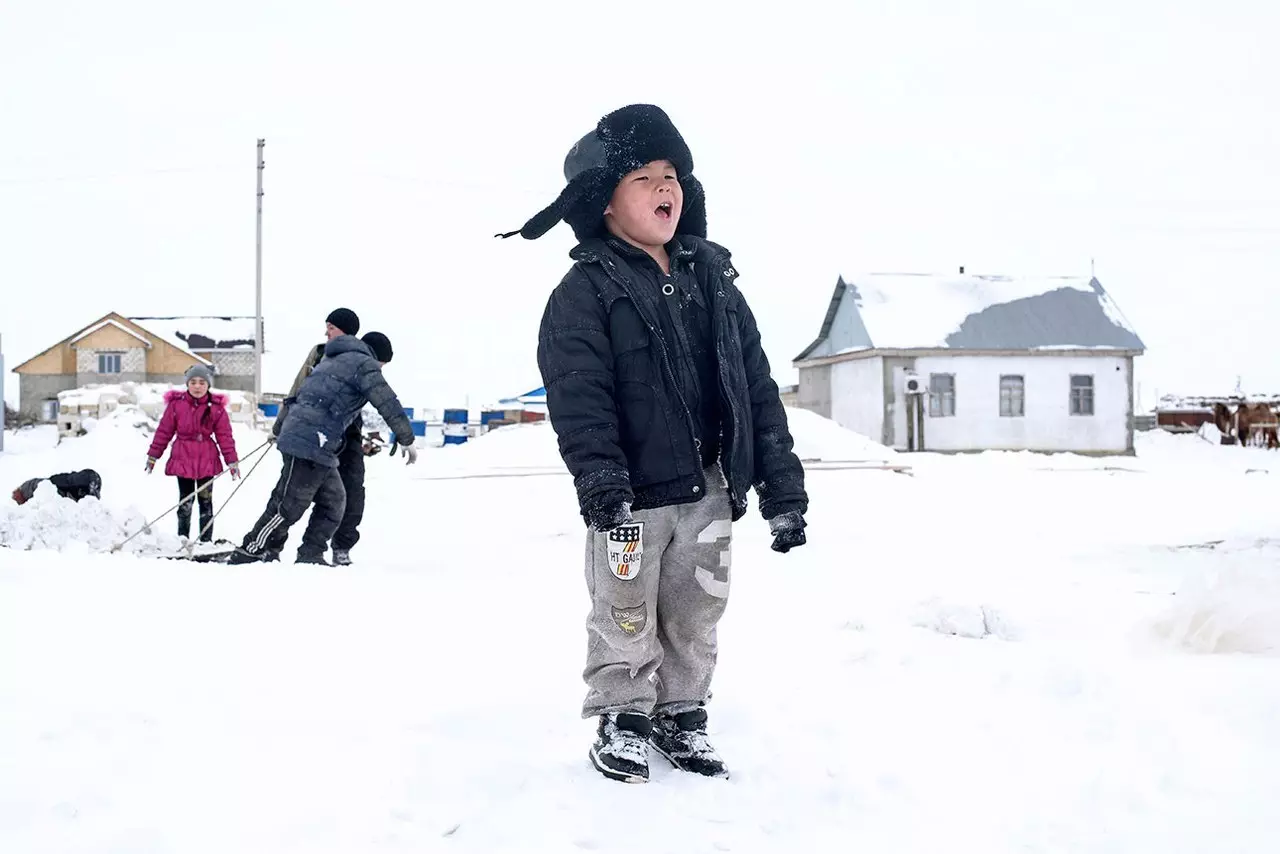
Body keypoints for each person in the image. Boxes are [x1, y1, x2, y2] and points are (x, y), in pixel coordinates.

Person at [499, 104, 810, 783]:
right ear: (605, 201)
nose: (664, 187)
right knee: (626, 609)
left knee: (698, 607)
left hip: (710, 489)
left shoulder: (716, 287)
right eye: (643, 177)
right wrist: (601, 482)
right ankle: (624, 713)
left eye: (671, 175)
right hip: (632, 495)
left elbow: (756, 388)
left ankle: (681, 713)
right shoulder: (585, 292)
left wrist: (782, 487)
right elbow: (580, 397)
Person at [230, 331, 417, 565]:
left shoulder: (332, 360)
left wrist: (279, 428)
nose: (381, 369)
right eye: (383, 364)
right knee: (289, 506)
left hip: (317, 443)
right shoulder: (364, 364)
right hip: (310, 441)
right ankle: (251, 549)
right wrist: (406, 437)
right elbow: (386, 400)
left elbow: (296, 396)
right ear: (378, 356)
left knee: (334, 500)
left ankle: (311, 554)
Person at [274, 308, 369, 564]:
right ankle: (270, 547)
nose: (326, 332)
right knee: (292, 497)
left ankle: (317, 551)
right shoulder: (318, 352)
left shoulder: (360, 359)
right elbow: (297, 388)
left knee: (341, 496)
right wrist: (281, 423)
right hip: (310, 434)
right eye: (326, 326)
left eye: (331, 327)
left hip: (344, 435)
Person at [145, 364, 241, 542]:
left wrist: (232, 461)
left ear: (208, 385)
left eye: (202, 382)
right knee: (185, 502)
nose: (197, 386)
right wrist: (153, 456)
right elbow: (164, 432)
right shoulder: (176, 405)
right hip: (183, 459)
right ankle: (183, 539)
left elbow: (225, 437)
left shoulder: (216, 408)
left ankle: (205, 541)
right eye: (193, 382)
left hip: (207, 460)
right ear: (187, 384)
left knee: (206, 503)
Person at [11, 469, 101, 505]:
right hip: (83, 480)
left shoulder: (28, 489)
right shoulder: (28, 492)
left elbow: (43, 485)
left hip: (77, 482)